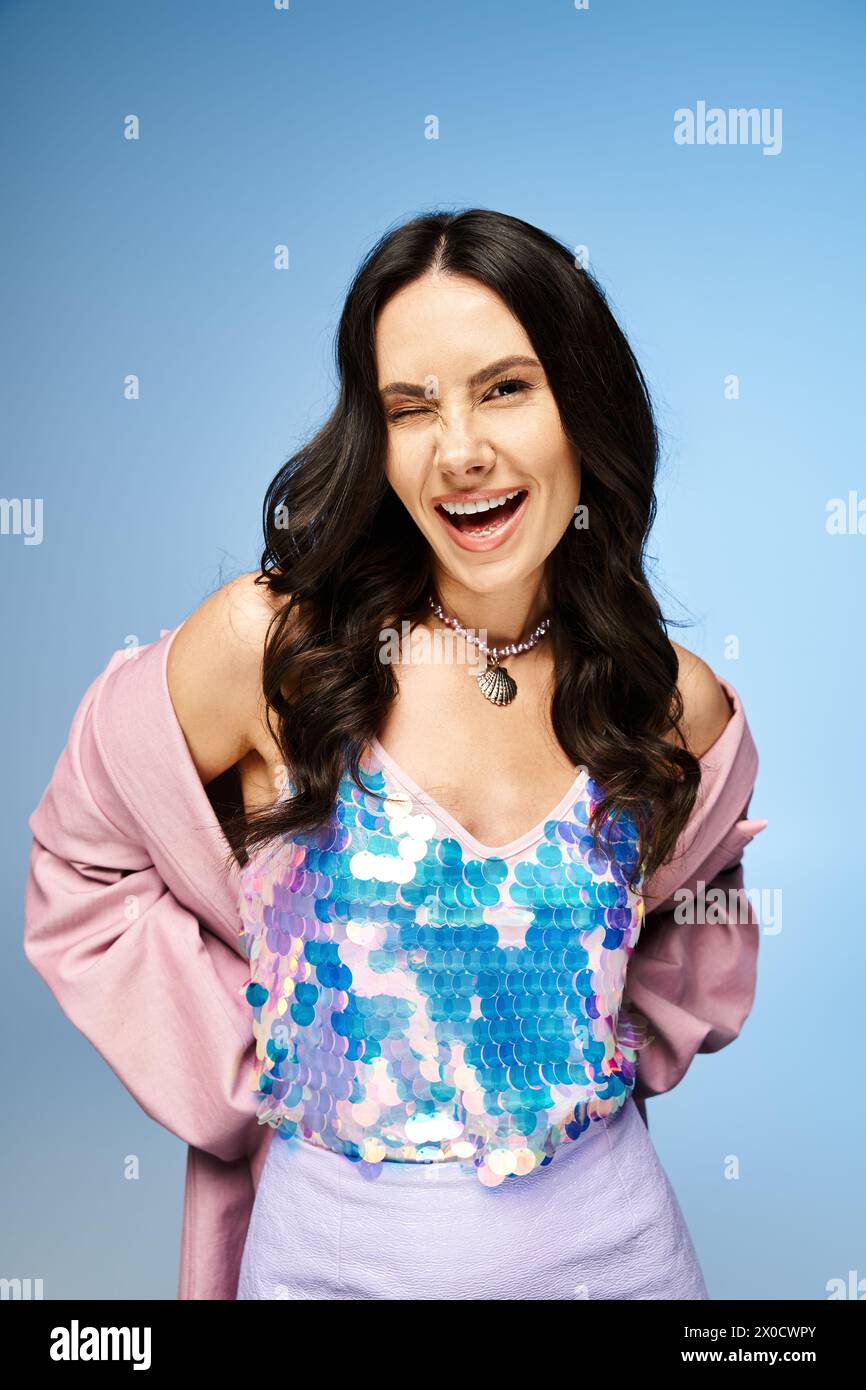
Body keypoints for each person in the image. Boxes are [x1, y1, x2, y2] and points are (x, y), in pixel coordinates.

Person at [24, 208, 766, 1300]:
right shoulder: (274, 650)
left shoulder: (668, 703)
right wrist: (259, 1066)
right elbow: (78, 866)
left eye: (504, 388)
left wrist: (577, 1066)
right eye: (411, 407)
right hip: (329, 1272)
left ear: (582, 407)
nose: (458, 450)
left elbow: (692, 932)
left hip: (622, 1265)